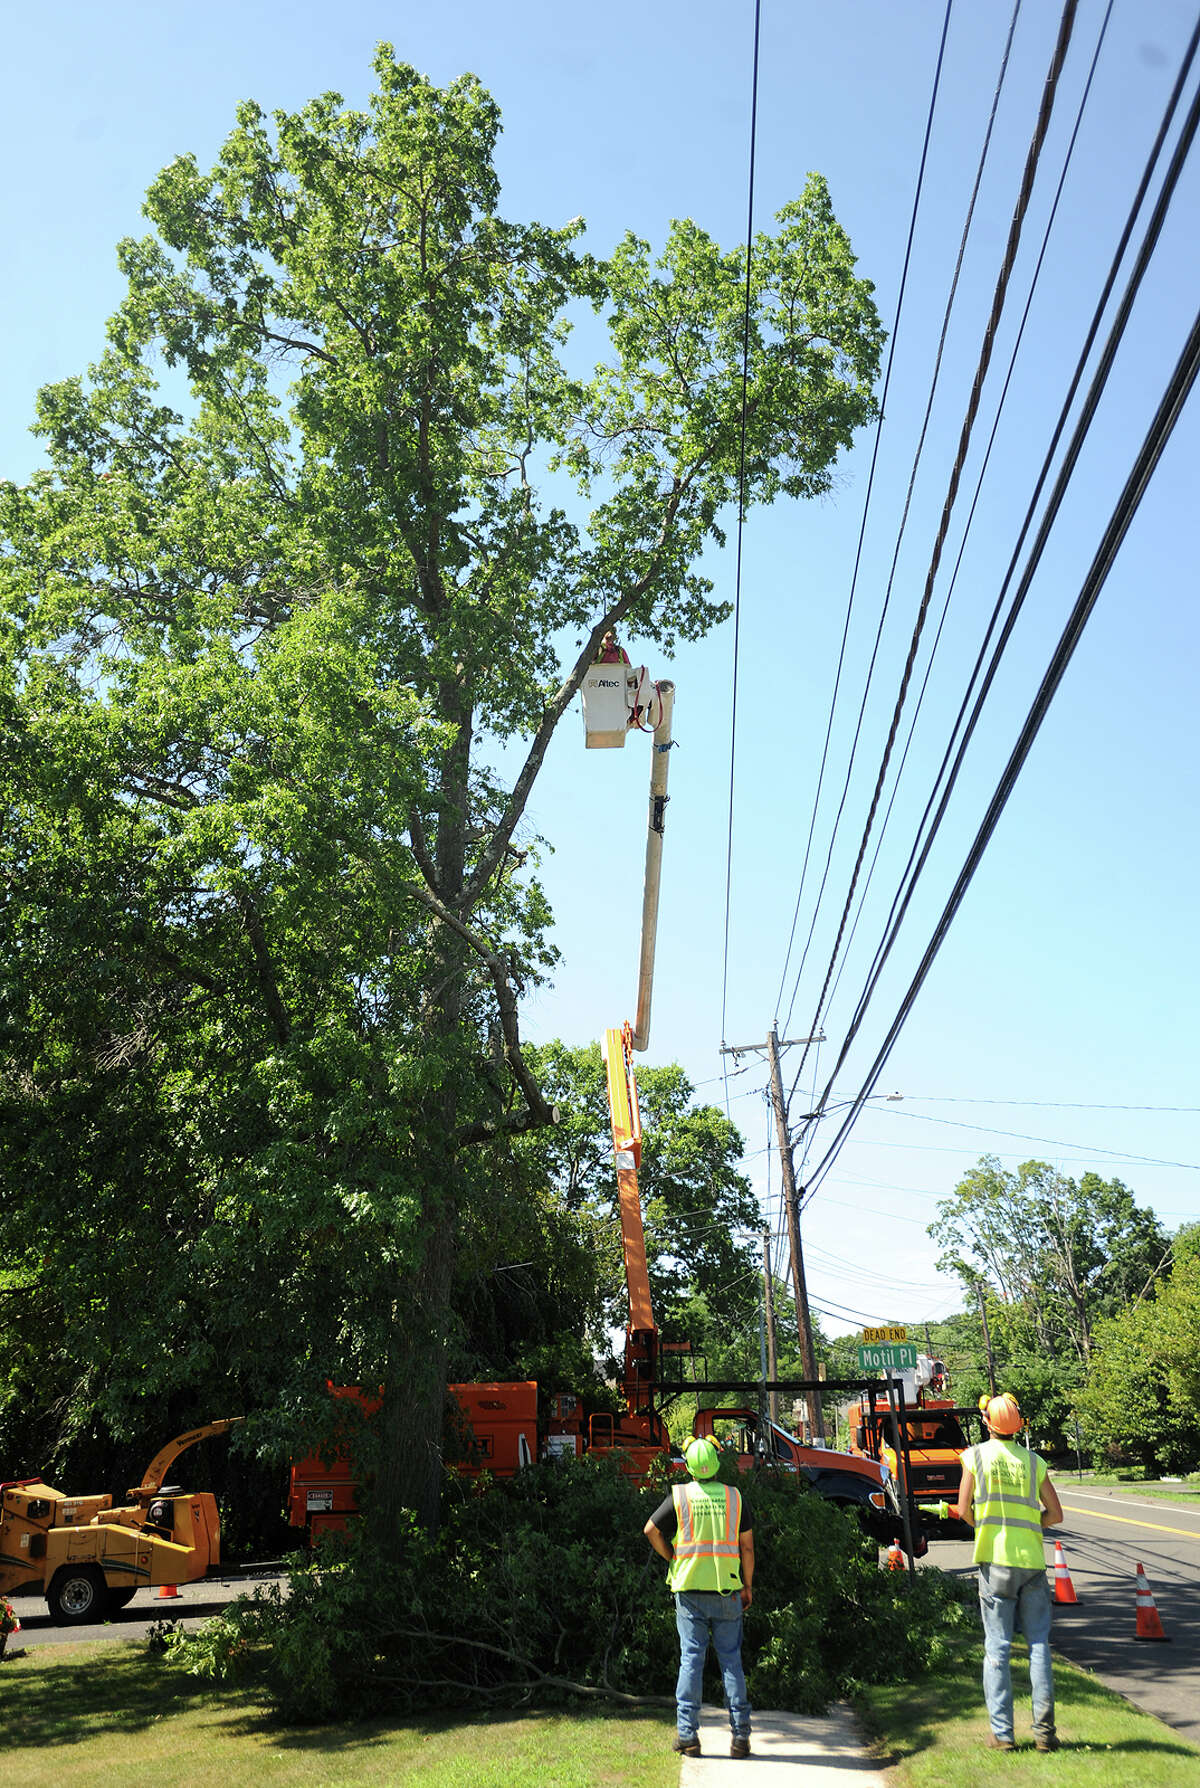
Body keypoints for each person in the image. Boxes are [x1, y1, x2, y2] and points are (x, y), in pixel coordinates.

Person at [954, 1392, 1064, 1754]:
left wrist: (981, 1523)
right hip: (1031, 1561)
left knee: (997, 1647)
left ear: (987, 1423)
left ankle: (1002, 1735)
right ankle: (1045, 1734)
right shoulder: (1034, 1462)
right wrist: (1033, 1523)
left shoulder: (975, 1457)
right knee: (1038, 1646)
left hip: (993, 1561)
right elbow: (1055, 1514)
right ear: (1018, 1425)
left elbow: (962, 1508)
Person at [643, 1436, 754, 1760]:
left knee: (691, 1661)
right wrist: (747, 1586)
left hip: (689, 1592)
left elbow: (650, 1529)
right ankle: (740, 1739)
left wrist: (672, 1556)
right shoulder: (735, 1498)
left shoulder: (679, 1496)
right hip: (728, 1591)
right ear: (717, 1465)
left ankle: (688, 1738)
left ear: (689, 1467)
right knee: (731, 1661)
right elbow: (746, 1547)